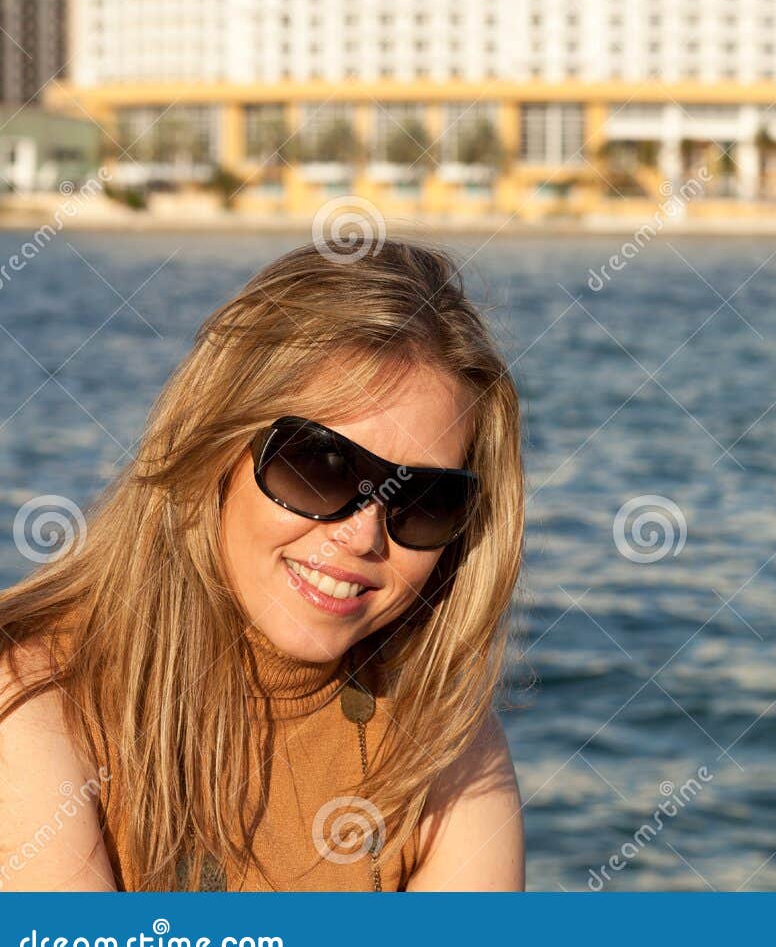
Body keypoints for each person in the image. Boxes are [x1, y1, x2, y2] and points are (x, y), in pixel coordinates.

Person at [0, 238, 526, 890]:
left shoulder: (442, 741)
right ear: (214, 448)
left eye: (423, 498)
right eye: (320, 466)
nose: (363, 536)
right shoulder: (33, 702)